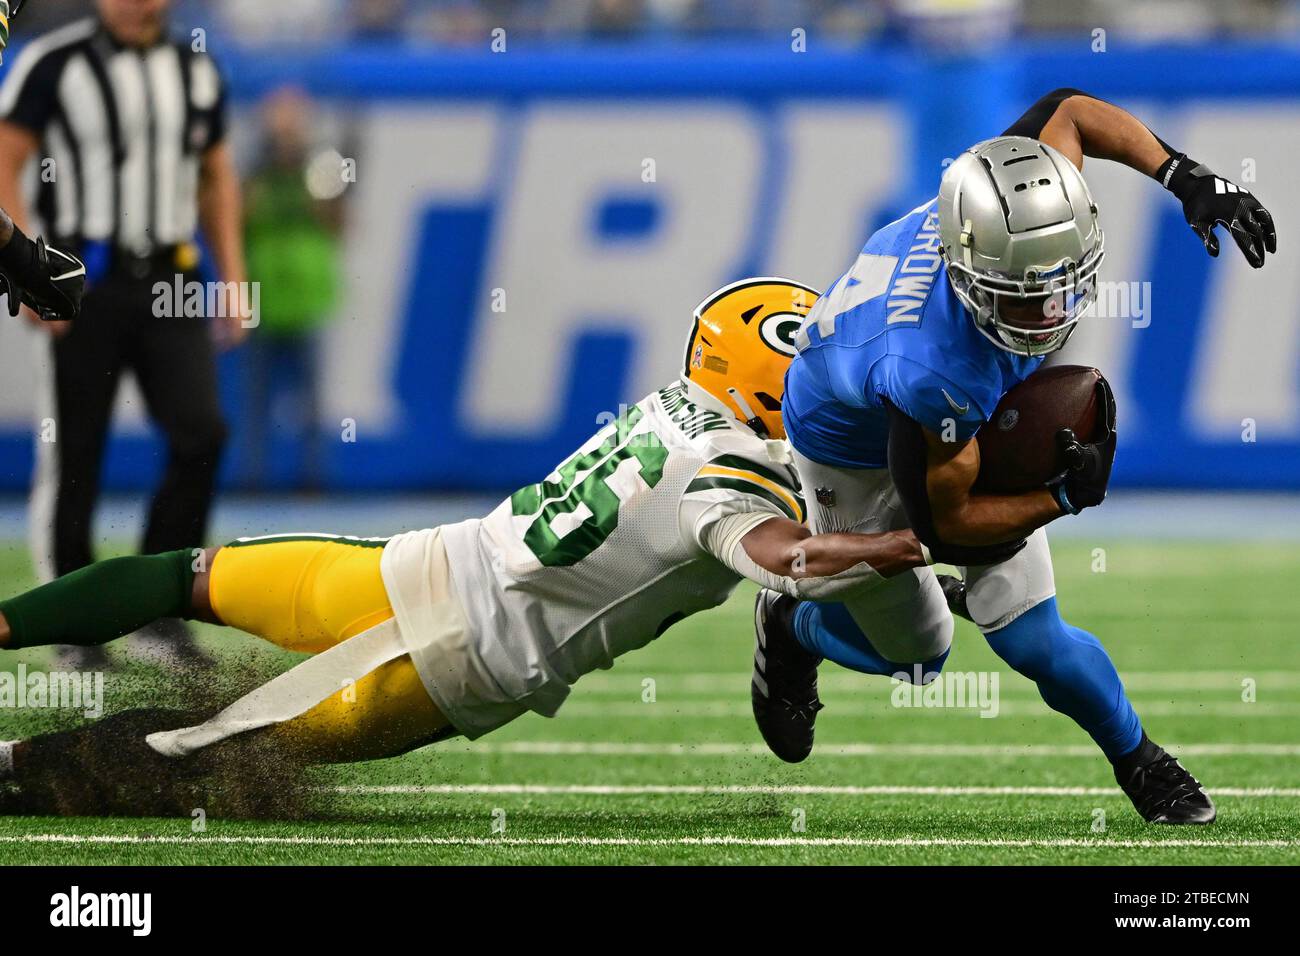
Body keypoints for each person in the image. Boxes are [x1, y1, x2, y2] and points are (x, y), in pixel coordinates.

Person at [0, 278, 930, 784]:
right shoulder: (731, 474)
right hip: (451, 664)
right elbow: (785, 557)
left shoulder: (667, 411)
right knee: (207, 746)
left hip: (416, 563)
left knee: (182, 575)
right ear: (769, 383)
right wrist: (895, 545)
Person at [752, 88, 1276, 824]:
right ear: (971, 278)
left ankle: (1142, 762)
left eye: (1062, 280)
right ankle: (791, 624)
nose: (1053, 310)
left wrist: (1184, 176)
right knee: (922, 654)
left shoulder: (1009, 207)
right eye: (1024, 297)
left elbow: (1069, 108)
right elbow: (946, 526)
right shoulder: (933, 365)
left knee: (1031, 633)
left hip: (943, 404)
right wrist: (1061, 498)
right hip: (852, 450)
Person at [0, 0, 249, 668]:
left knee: (203, 430)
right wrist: (27, 268)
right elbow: (6, 160)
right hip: (83, 279)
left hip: (170, 276)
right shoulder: (52, 62)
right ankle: (72, 624)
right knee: (76, 452)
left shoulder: (195, 68)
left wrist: (232, 274)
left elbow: (217, 175)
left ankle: (157, 608)